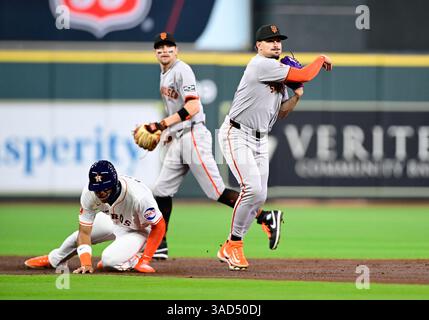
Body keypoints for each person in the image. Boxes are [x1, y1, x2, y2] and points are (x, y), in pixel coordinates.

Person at [139, 32, 284, 260]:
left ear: (176, 50)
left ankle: (264, 216)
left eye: (169, 47)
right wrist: (168, 131)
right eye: (160, 47)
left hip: (193, 136)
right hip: (179, 137)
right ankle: (160, 244)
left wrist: (160, 124)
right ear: (155, 52)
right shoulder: (164, 73)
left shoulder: (181, 70)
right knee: (160, 191)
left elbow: (194, 107)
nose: (165, 51)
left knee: (216, 191)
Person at [217, 24, 333, 271]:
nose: (276, 44)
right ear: (258, 46)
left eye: (278, 40)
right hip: (236, 133)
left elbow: (281, 112)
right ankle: (234, 246)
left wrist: (298, 95)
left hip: (260, 139)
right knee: (250, 189)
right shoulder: (261, 64)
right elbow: (305, 74)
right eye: (270, 40)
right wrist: (320, 58)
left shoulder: (277, 71)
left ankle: (230, 245)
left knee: (259, 195)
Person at [24, 160, 166, 273]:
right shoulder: (89, 193)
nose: (100, 193)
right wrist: (85, 263)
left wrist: (145, 260)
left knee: (109, 261)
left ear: (114, 183)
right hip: (114, 220)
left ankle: (135, 258)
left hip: (139, 230)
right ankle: (54, 259)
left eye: (105, 188)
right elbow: (84, 232)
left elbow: (159, 225)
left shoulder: (138, 196)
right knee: (76, 237)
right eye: (97, 189)